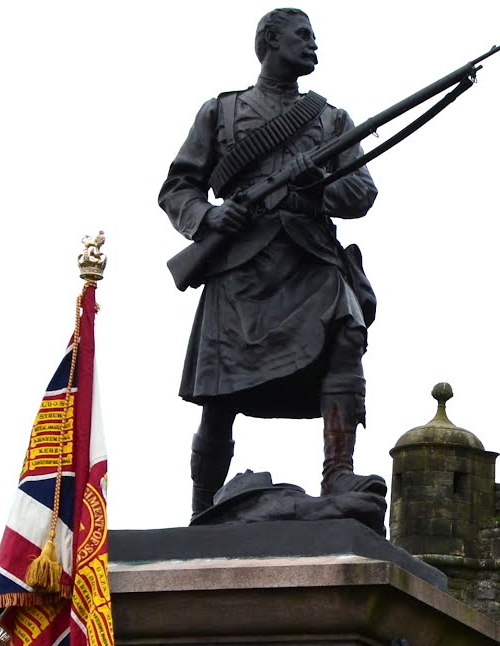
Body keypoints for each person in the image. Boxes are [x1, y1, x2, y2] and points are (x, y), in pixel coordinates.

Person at [159, 7, 378, 514]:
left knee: (347, 329)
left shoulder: (332, 119)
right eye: (303, 37)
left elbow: (362, 193)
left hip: (311, 255)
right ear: (270, 41)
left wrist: (316, 188)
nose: (313, 46)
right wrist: (208, 219)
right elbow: (179, 186)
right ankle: (203, 505)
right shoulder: (221, 111)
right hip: (239, 265)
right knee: (219, 396)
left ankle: (338, 474)